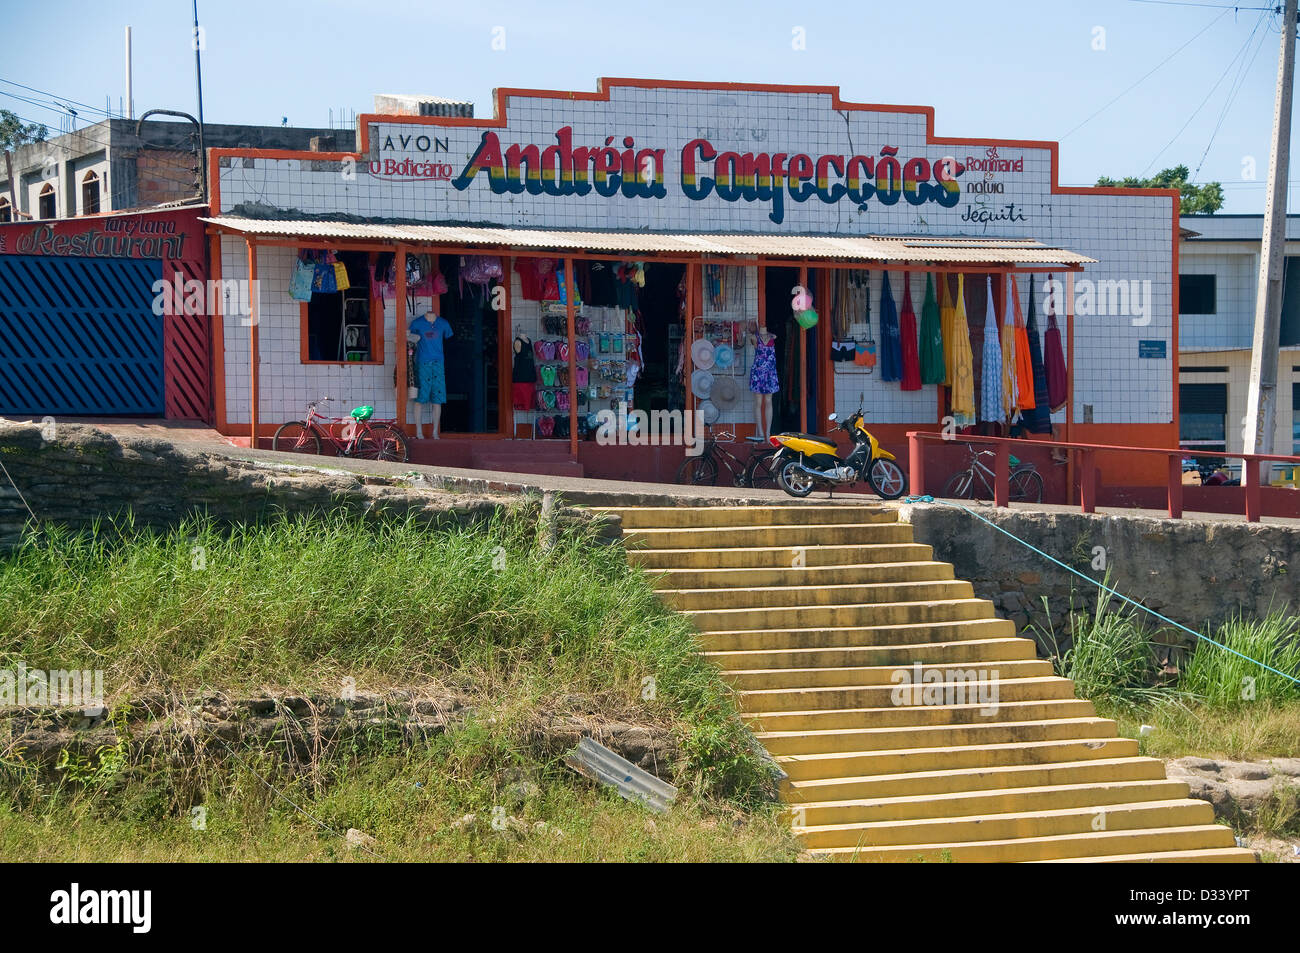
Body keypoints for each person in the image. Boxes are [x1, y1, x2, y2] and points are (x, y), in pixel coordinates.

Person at [407, 307, 453, 439]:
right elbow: (409, 339)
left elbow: (449, 337)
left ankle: (435, 432)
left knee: (437, 399)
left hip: (438, 364)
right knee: (420, 398)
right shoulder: (417, 323)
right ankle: (419, 432)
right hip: (423, 364)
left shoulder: (443, 323)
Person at [747, 321, 779, 439]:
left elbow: (773, 336)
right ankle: (760, 432)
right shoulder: (754, 338)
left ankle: (768, 432)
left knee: (769, 402)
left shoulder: (772, 336)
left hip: (770, 373)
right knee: (758, 403)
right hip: (758, 373)